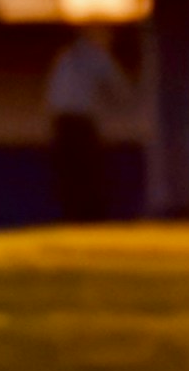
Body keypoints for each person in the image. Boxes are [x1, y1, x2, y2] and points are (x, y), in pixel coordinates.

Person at [44, 24, 142, 224]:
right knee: (85, 174)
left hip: (63, 123)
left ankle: (78, 216)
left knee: (72, 176)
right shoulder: (94, 56)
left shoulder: (67, 57)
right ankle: (86, 217)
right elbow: (120, 91)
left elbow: (53, 97)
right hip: (78, 123)